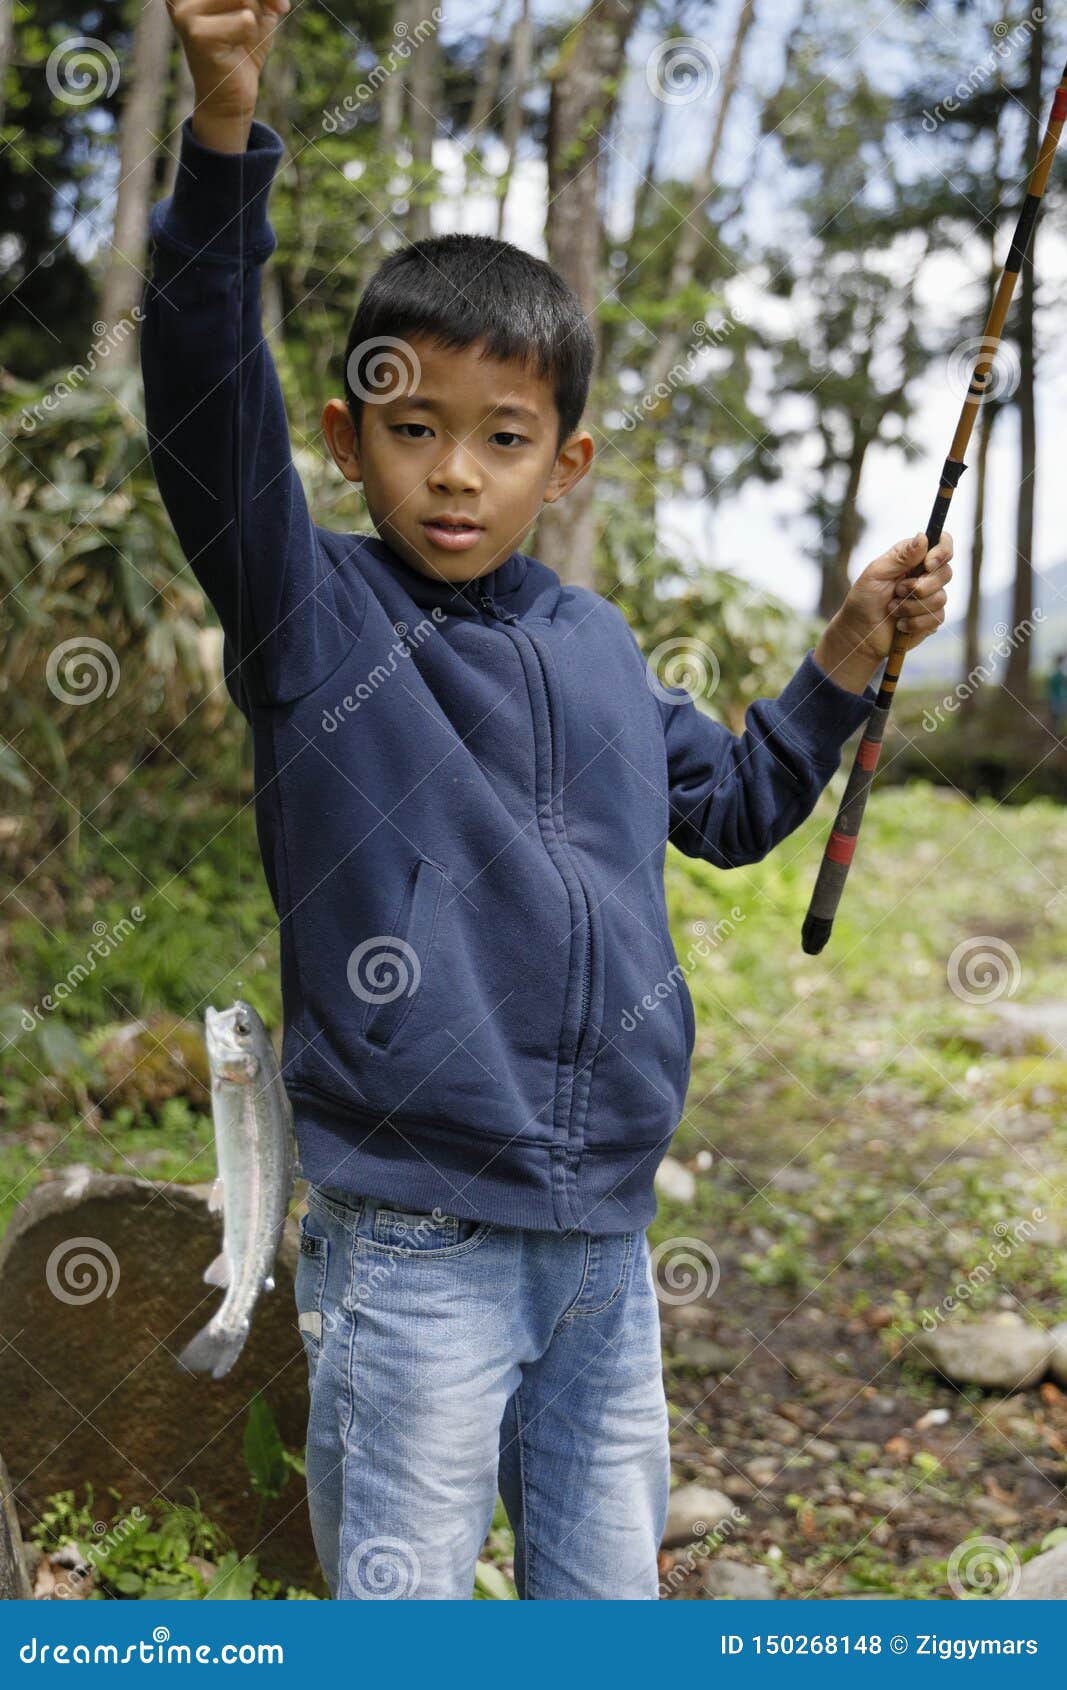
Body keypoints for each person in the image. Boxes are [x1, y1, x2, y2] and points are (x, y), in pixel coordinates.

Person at [144, 0, 953, 1600]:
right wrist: (226, 123)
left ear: (563, 463)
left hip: (603, 1239)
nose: (455, 471)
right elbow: (201, 400)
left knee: (605, 1609)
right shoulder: (313, 615)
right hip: (415, 1243)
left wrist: (852, 647)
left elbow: (735, 804)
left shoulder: (597, 649)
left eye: (502, 438)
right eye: (415, 429)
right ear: (347, 438)